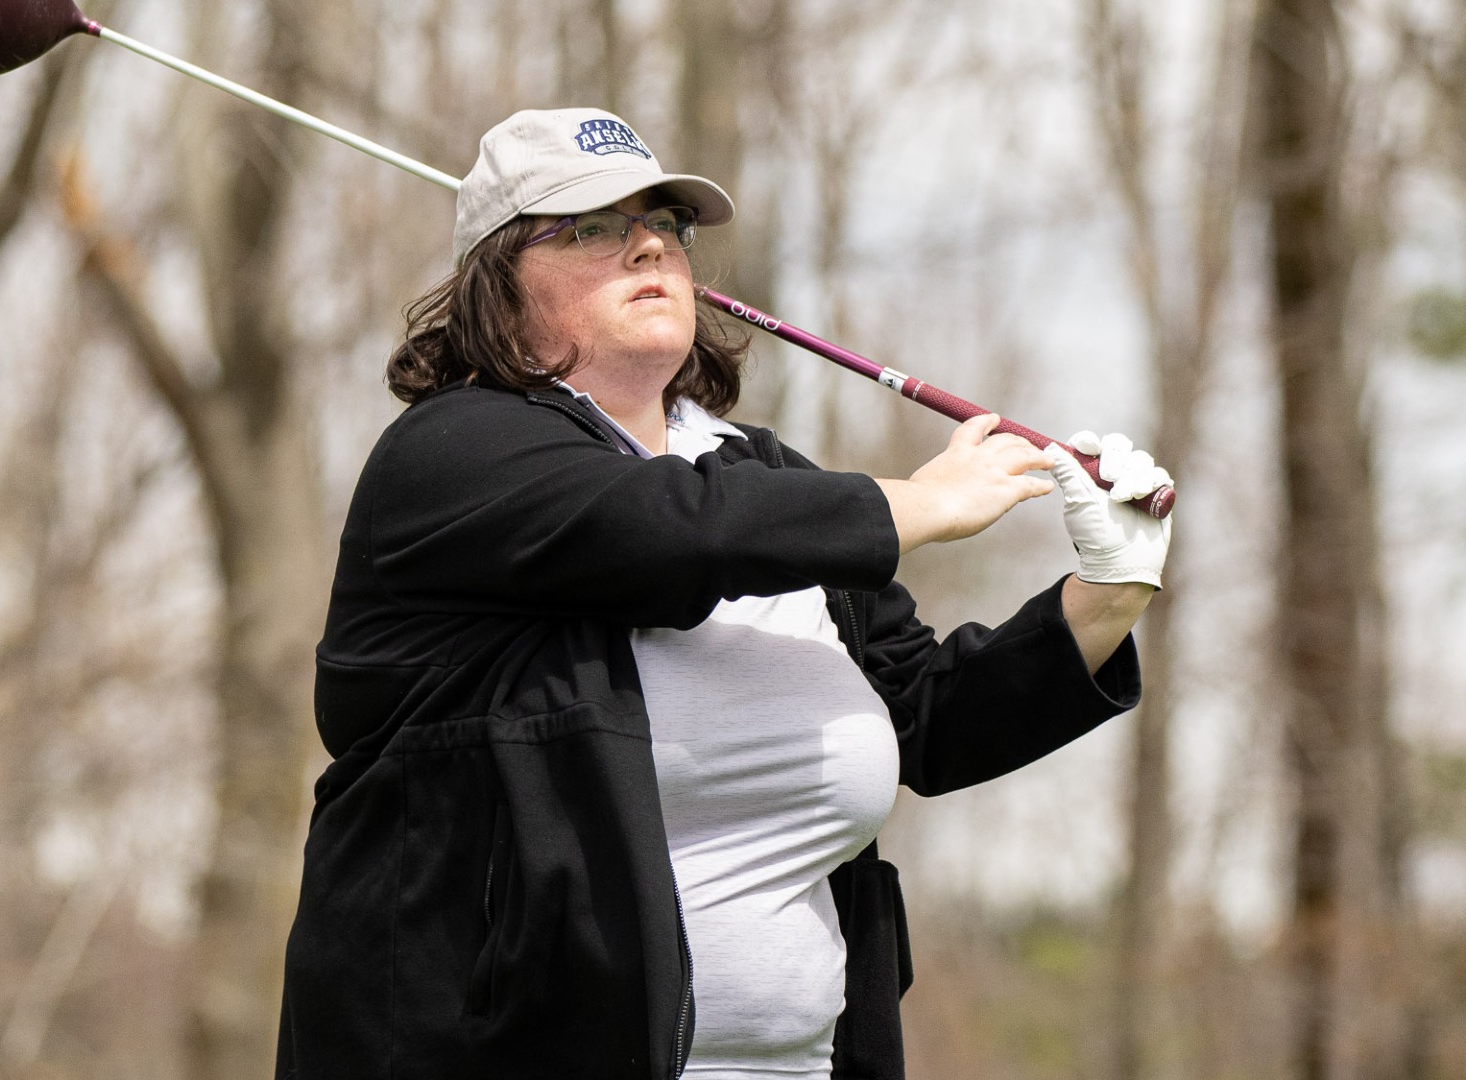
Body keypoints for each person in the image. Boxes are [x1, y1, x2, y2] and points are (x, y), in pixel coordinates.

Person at [274, 108, 1170, 1080]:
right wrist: (917, 503)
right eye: (592, 227)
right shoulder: (450, 458)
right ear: (498, 280)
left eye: (665, 223)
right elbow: (666, 532)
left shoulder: (759, 476)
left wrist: (1106, 599)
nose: (649, 244)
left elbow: (930, 719)